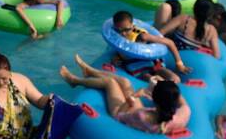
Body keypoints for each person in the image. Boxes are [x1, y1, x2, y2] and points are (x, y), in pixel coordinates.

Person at [57, 57, 190, 134]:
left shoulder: (142, 117)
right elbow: (182, 103)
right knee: (125, 82)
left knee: (110, 83)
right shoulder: (179, 117)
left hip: (122, 112)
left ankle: (75, 81)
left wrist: (134, 97)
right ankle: (90, 71)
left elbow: (120, 115)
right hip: (140, 111)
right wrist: (167, 87)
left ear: (155, 100)